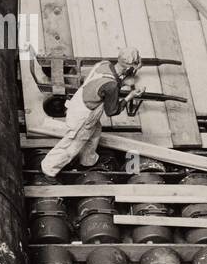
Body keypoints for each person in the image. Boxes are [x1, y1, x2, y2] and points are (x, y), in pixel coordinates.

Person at [40, 49, 147, 177]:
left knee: (95, 132)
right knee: (71, 147)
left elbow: (105, 84)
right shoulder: (111, 86)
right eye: (134, 68)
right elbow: (112, 111)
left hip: (78, 103)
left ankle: (87, 161)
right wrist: (131, 95)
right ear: (129, 68)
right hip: (83, 118)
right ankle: (48, 169)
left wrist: (123, 81)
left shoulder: (104, 64)